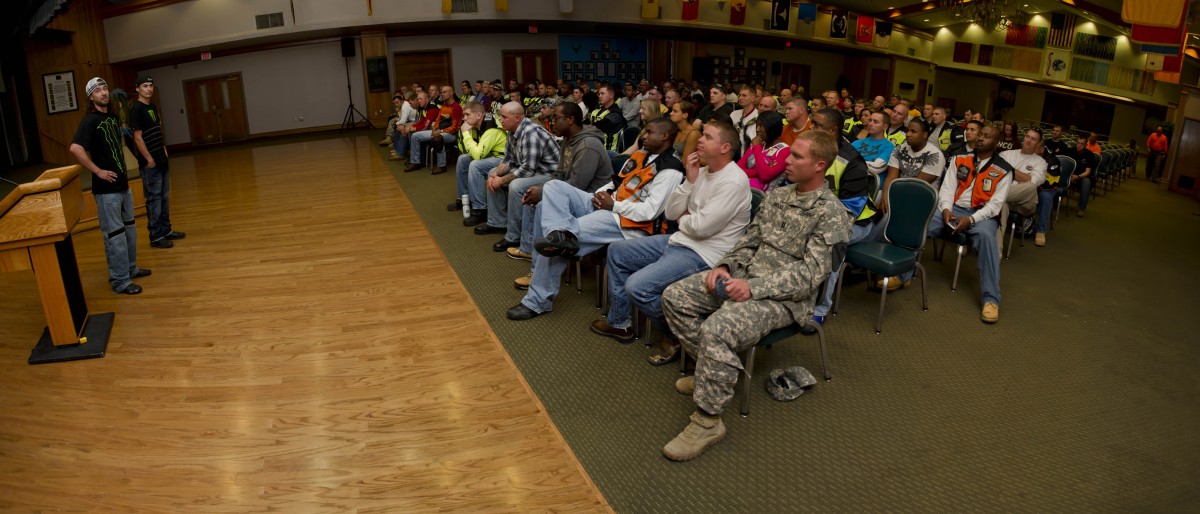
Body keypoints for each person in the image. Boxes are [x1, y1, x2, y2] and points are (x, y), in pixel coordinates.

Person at [658, 129, 850, 461]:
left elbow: (812, 275)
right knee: (676, 297)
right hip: (744, 278)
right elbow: (750, 238)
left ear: (820, 165)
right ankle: (711, 370)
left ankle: (707, 421)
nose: (787, 161)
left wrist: (754, 288)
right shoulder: (779, 196)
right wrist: (726, 266)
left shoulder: (831, 213)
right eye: (790, 154)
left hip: (785, 300)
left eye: (798, 157)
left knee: (718, 328)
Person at [590, 121, 752, 367]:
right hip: (681, 241)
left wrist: (685, 219)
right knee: (618, 251)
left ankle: (676, 333)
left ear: (724, 147)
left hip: (704, 253)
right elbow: (671, 212)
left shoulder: (733, 181)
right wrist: (689, 182)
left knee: (638, 287)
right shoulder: (703, 172)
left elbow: (701, 227)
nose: (699, 140)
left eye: (708, 137)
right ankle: (620, 324)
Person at [506, 118, 683, 320]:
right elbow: (616, 183)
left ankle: (537, 302)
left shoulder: (670, 169)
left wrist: (613, 205)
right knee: (553, 189)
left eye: (650, 132)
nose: (644, 135)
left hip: (626, 223)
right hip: (607, 206)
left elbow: (650, 212)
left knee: (555, 243)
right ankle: (562, 235)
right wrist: (602, 194)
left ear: (665, 136)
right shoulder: (642, 154)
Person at [68, 77, 150, 295]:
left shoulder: (113, 117)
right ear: (91, 96)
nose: (103, 93)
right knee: (115, 236)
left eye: (105, 89)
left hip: (123, 186)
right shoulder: (89, 120)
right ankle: (119, 281)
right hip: (106, 192)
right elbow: (75, 148)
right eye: (98, 91)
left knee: (130, 231)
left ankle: (130, 269)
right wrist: (97, 171)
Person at [512, 102, 615, 268]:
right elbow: (559, 174)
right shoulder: (568, 141)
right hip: (572, 193)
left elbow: (577, 185)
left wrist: (544, 192)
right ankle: (528, 249)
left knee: (542, 206)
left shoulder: (588, 145)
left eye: (556, 118)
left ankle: (538, 268)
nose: (552, 122)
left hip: (592, 200)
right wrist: (540, 190)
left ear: (570, 120)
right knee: (531, 196)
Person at [929, 125, 1012, 323]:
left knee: (986, 238)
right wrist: (947, 209)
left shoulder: (1004, 170)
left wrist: (971, 220)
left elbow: (995, 206)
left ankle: (991, 299)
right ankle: (901, 274)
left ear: (996, 142)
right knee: (921, 223)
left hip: (982, 215)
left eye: (986, 136)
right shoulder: (959, 159)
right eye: (980, 135)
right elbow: (947, 188)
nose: (981, 139)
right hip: (953, 208)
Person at [807, 108, 876, 327]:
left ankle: (820, 308)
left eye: (816, 125)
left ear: (833, 130)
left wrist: (820, 225)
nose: (811, 128)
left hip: (855, 222)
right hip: (817, 215)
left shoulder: (852, 161)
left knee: (832, 241)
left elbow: (852, 209)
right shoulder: (808, 149)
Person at [476, 102, 561, 252]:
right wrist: (496, 175)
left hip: (549, 175)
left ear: (517, 118)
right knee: (492, 173)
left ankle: (513, 237)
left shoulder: (531, 133)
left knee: (516, 186)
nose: (500, 120)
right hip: (532, 170)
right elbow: (509, 159)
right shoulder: (512, 130)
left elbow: (528, 169)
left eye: (503, 117)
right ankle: (497, 222)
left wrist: (501, 180)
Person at [128, 74, 185, 249]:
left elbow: (158, 130)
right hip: (150, 163)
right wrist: (149, 159)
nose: (149, 89)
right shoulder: (135, 109)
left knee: (164, 197)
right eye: (145, 86)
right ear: (137, 89)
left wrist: (164, 151)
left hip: (162, 159)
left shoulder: (152, 107)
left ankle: (166, 230)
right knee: (154, 199)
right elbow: (137, 138)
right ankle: (155, 235)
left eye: (150, 86)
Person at [451, 101, 507, 225]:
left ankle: (480, 209)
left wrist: (465, 133)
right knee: (463, 159)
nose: (464, 118)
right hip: (490, 154)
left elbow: (477, 155)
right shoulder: (475, 125)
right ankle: (464, 198)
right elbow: (464, 149)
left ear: (478, 115)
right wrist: (466, 134)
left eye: (467, 115)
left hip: (503, 159)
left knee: (475, 165)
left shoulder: (490, 127)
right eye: (463, 115)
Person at [996, 127, 1047, 254]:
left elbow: (1032, 182)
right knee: (1001, 206)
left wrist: (1009, 170)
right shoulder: (1007, 154)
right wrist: (1021, 176)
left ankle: (996, 197)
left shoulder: (1041, 162)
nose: (1029, 141)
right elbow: (996, 174)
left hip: (1024, 203)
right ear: (1023, 138)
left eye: (1034, 139)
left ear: (1038, 144)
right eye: (1028, 137)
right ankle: (996, 253)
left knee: (1030, 187)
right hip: (1006, 199)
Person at [737, 110, 788, 191]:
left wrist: (757, 147)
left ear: (772, 127)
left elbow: (764, 176)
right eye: (757, 126)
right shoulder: (754, 146)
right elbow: (736, 171)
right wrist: (756, 172)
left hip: (764, 198)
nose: (757, 130)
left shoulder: (784, 150)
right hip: (743, 191)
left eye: (761, 126)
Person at [1061, 136, 1097, 217]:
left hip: (1082, 177)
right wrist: (1069, 176)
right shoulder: (1070, 151)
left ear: (1085, 145)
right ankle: (1055, 202)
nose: (1079, 145)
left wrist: (1077, 176)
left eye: (1082, 144)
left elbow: (1087, 172)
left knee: (1086, 182)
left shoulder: (1089, 154)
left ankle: (1081, 208)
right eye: (1078, 143)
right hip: (1070, 175)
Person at [588, 85, 627, 153]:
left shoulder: (615, 113)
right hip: (596, 148)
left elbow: (602, 125)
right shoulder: (599, 110)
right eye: (599, 94)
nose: (599, 96)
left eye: (602, 93)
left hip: (608, 152)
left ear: (611, 95)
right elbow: (588, 122)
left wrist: (583, 128)